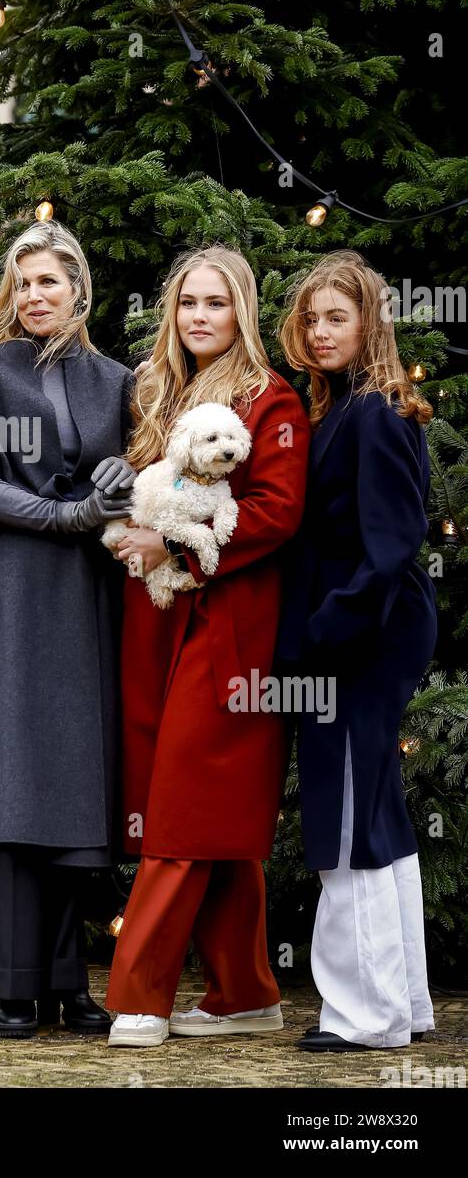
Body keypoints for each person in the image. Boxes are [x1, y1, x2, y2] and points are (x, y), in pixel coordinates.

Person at [0, 220, 136, 1039]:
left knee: (73, 784)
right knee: (17, 785)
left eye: (50, 281)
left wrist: (121, 475)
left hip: (83, 597)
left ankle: (67, 982)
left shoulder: (115, 380)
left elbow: (140, 470)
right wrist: (67, 514)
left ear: (77, 288)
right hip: (8, 596)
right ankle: (15, 985)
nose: (35, 296)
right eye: (23, 284)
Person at [104, 245, 309, 1048]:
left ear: (241, 311)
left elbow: (277, 512)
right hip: (156, 623)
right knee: (209, 810)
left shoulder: (269, 398)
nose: (198, 316)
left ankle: (140, 996)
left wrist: (175, 549)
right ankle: (243, 994)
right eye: (187, 302)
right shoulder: (156, 388)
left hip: (229, 629)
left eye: (215, 303)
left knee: (182, 809)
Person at [277, 250, 436, 1052]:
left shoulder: (373, 412)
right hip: (364, 633)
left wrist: (321, 633)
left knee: (343, 818)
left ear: (369, 323)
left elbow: (391, 546)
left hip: (360, 640)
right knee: (375, 814)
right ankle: (401, 1004)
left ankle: (364, 1015)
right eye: (310, 318)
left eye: (336, 318)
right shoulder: (340, 407)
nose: (319, 331)